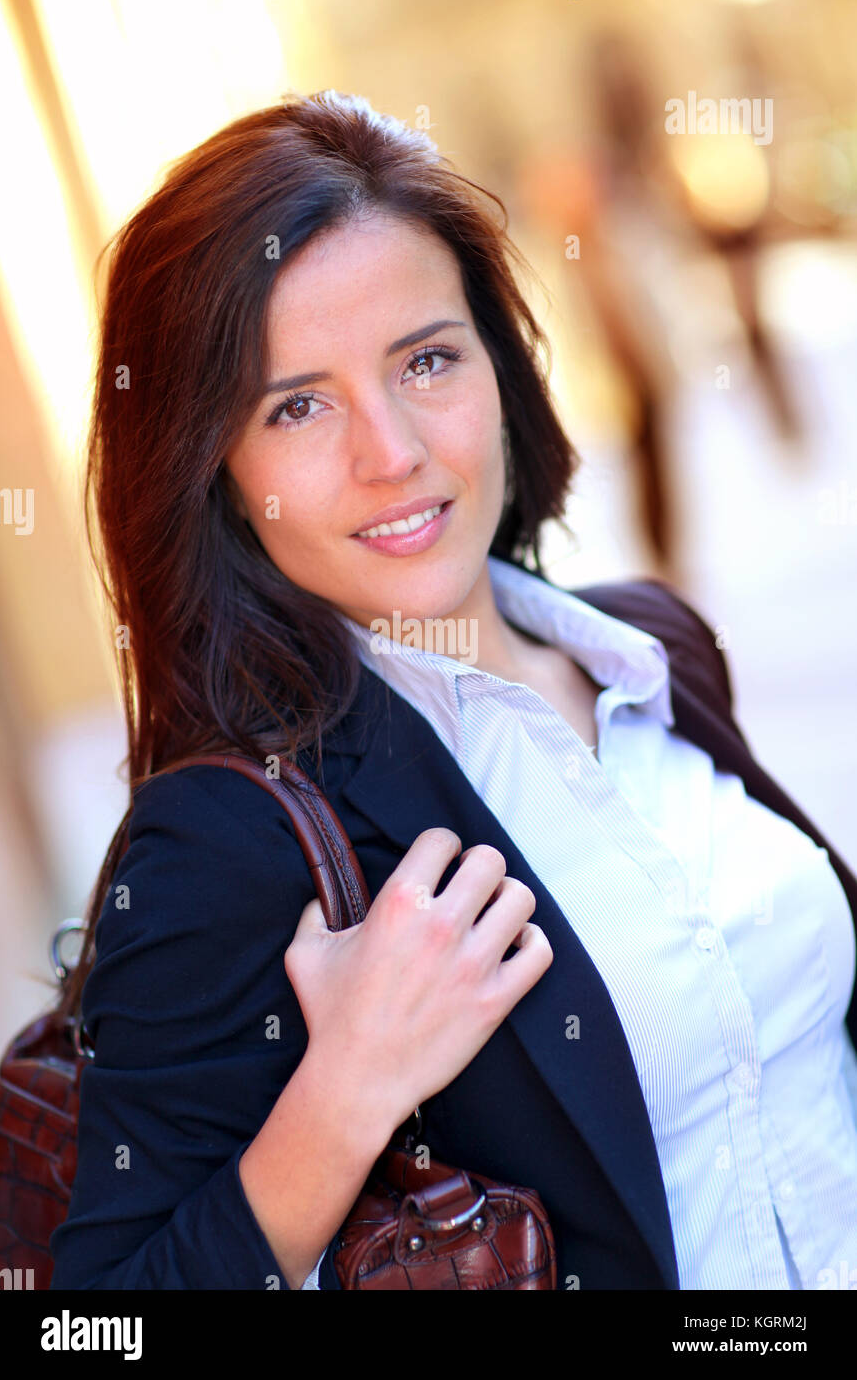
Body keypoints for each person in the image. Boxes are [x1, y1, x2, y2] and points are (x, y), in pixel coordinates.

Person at [49, 90, 857, 1292]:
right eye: (297, 406)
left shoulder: (647, 647)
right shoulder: (224, 841)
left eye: (425, 359)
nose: (393, 451)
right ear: (209, 471)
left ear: (498, 362)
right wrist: (345, 1092)